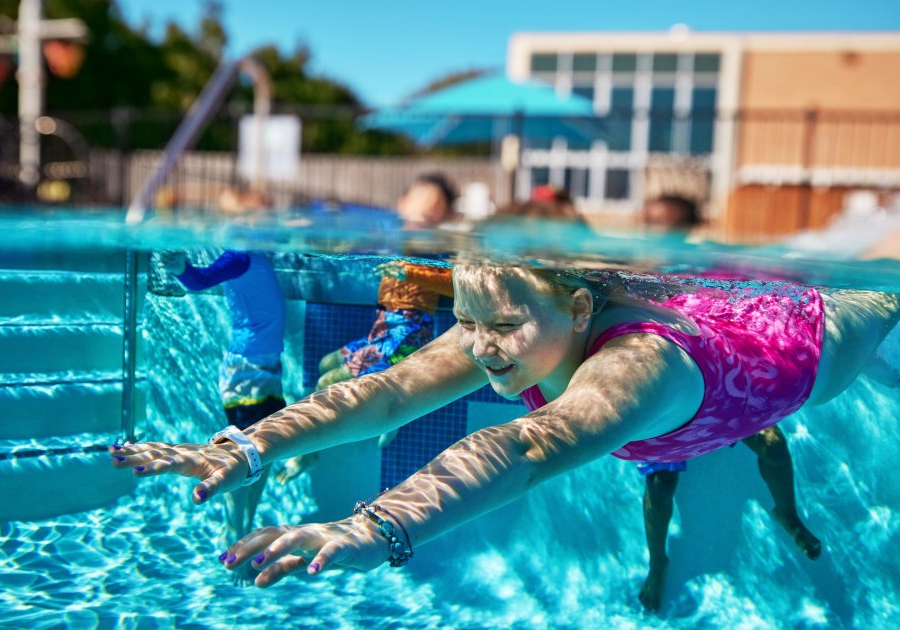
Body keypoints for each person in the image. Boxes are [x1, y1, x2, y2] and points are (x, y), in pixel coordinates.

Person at [110, 262, 900, 592]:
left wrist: (373, 528)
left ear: (579, 306)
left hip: (795, 355)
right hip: (701, 347)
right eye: (465, 320)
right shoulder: (507, 319)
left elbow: (523, 446)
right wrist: (248, 445)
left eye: (502, 323)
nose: (478, 345)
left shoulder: (641, 367)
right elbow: (387, 394)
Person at [636, 192, 821, 612]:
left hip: (718, 380)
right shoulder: (635, 268)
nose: (656, 238)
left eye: (667, 230)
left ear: (690, 232)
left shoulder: (713, 266)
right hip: (669, 383)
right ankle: (657, 560)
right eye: (651, 229)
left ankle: (787, 513)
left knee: (772, 444)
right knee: (660, 482)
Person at [275, 173, 458, 482]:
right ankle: (392, 409)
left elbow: (457, 285)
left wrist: (411, 273)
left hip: (406, 334)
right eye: (420, 204)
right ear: (401, 204)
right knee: (325, 364)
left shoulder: (439, 251)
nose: (425, 213)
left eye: (435, 208)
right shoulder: (390, 241)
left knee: (330, 380)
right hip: (383, 329)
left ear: (447, 217)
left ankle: (308, 453)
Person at [153, 248, 286, 584]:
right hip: (249, 373)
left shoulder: (250, 255)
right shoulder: (240, 255)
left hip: (258, 369)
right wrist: (181, 268)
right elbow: (200, 281)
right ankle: (236, 534)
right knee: (254, 453)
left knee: (262, 453)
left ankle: (240, 530)